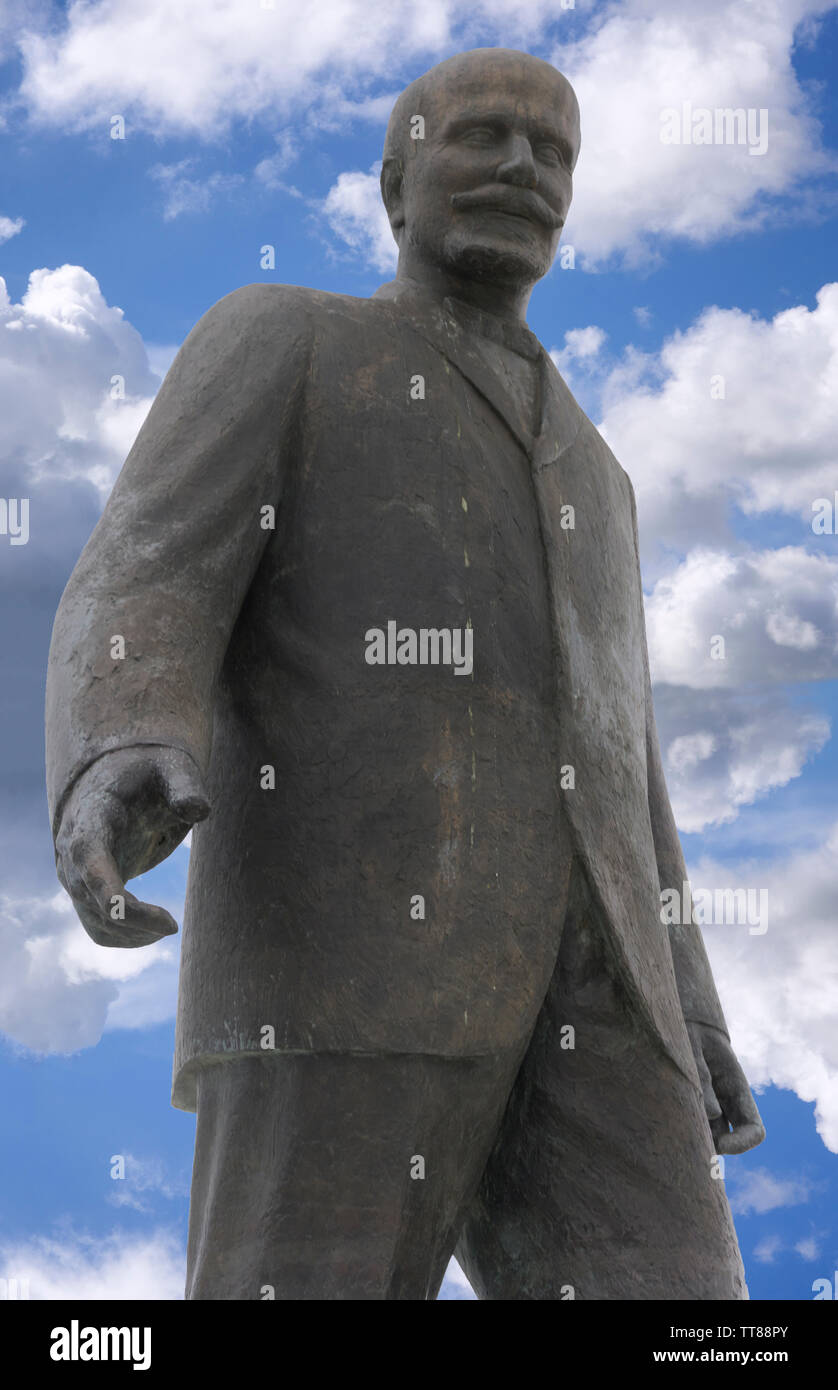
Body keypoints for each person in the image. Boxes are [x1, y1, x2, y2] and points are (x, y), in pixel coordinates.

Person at [45, 48, 764, 1300]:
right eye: (483, 136)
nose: (523, 169)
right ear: (395, 181)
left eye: (554, 152)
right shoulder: (290, 340)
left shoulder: (603, 475)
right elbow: (151, 565)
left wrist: (688, 1004)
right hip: (344, 956)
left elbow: (625, 758)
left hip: (607, 1004)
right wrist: (117, 742)